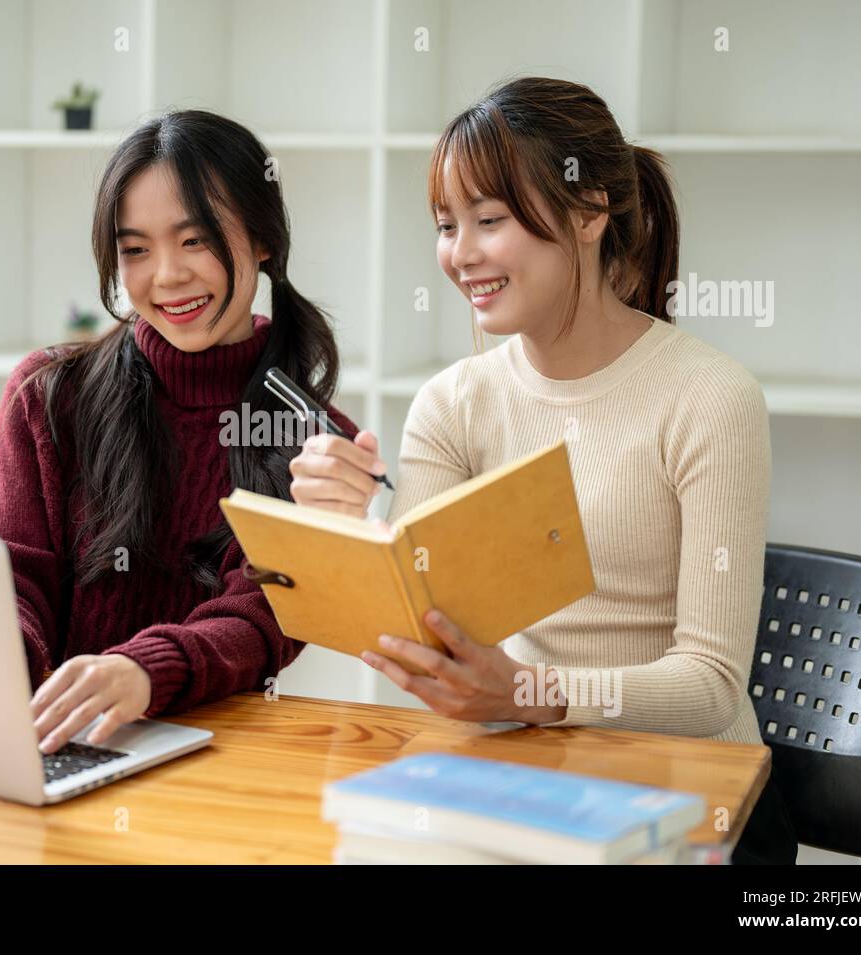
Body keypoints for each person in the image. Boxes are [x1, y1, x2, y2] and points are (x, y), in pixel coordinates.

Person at [288, 77, 797, 863]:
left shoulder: (710, 397)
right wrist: (346, 528)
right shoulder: (453, 403)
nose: (461, 255)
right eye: (447, 225)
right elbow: (420, 632)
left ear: (589, 211)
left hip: (696, 790)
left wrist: (532, 693)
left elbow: (710, 687)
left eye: (489, 220)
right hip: (532, 774)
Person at [0, 110, 356, 755]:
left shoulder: (315, 445)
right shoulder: (48, 395)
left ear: (263, 239)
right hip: (54, 742)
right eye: (136, 250)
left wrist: (144, 672)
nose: (167, 276)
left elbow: (261, 619)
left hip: (218, 760)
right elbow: (9, 581)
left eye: (196, 240)